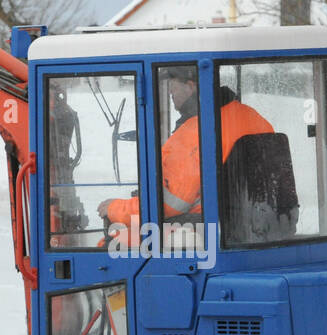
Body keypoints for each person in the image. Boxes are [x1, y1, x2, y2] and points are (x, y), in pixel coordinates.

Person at [97, 67, 274, 236]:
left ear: (190, 86)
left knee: (116, 242)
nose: (169, 94)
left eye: (172, 87)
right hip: (261, 223)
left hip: (206, 229)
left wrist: (115, 208)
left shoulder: (196, 130)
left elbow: (170, 204)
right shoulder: (252, 117)